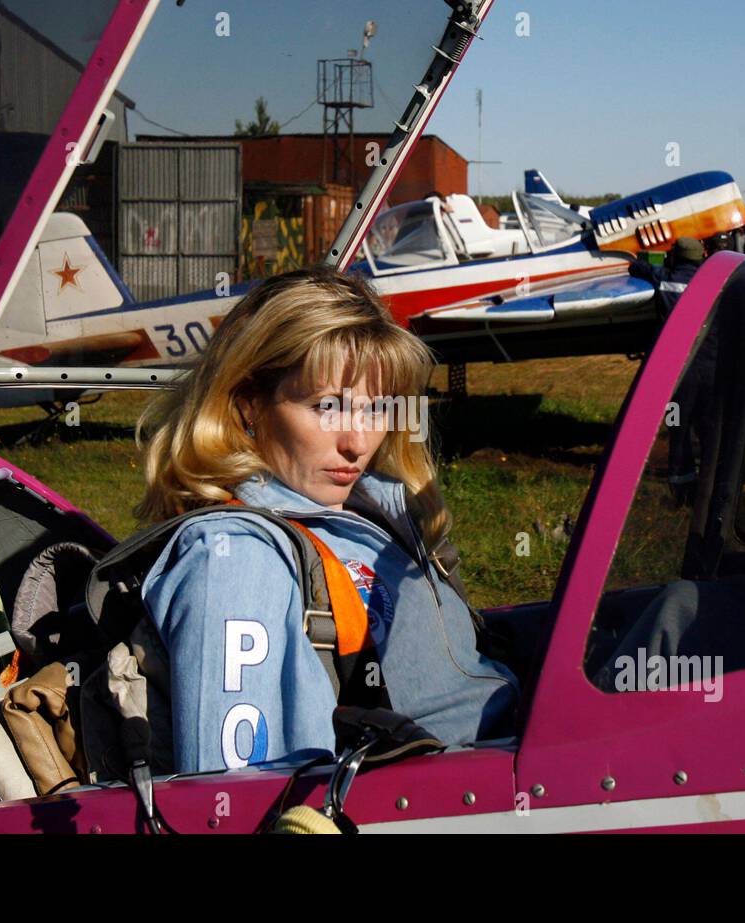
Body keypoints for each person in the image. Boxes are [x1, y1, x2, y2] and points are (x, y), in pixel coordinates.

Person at [132, 268, 519, 772]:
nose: (357, 443)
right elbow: (228, 799)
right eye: (327, 407)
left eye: (378, 409)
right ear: (248, 402)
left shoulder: (380, 509)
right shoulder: (237, 560)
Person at [630, 237, 714, 505]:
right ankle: (716, 484)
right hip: (712, 368)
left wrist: (638, 260)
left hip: (680, 371)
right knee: (709, 426)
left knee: (678, 426)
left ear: (674, 257)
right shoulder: (715, 284)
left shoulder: (665, 280)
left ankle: (681, 487)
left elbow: (639, 269)